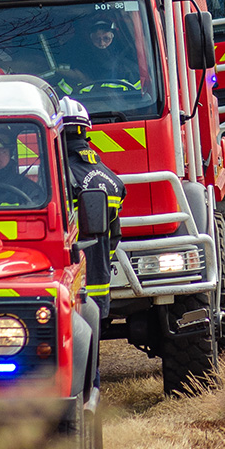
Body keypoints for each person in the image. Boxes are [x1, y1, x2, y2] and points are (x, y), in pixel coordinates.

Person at [59, 98, 125, 319]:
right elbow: (114, 235)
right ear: (86, 131)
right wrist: (102, 261)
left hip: (72, 285)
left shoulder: (60, 178)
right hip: (99, 284)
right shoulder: (111, 179)